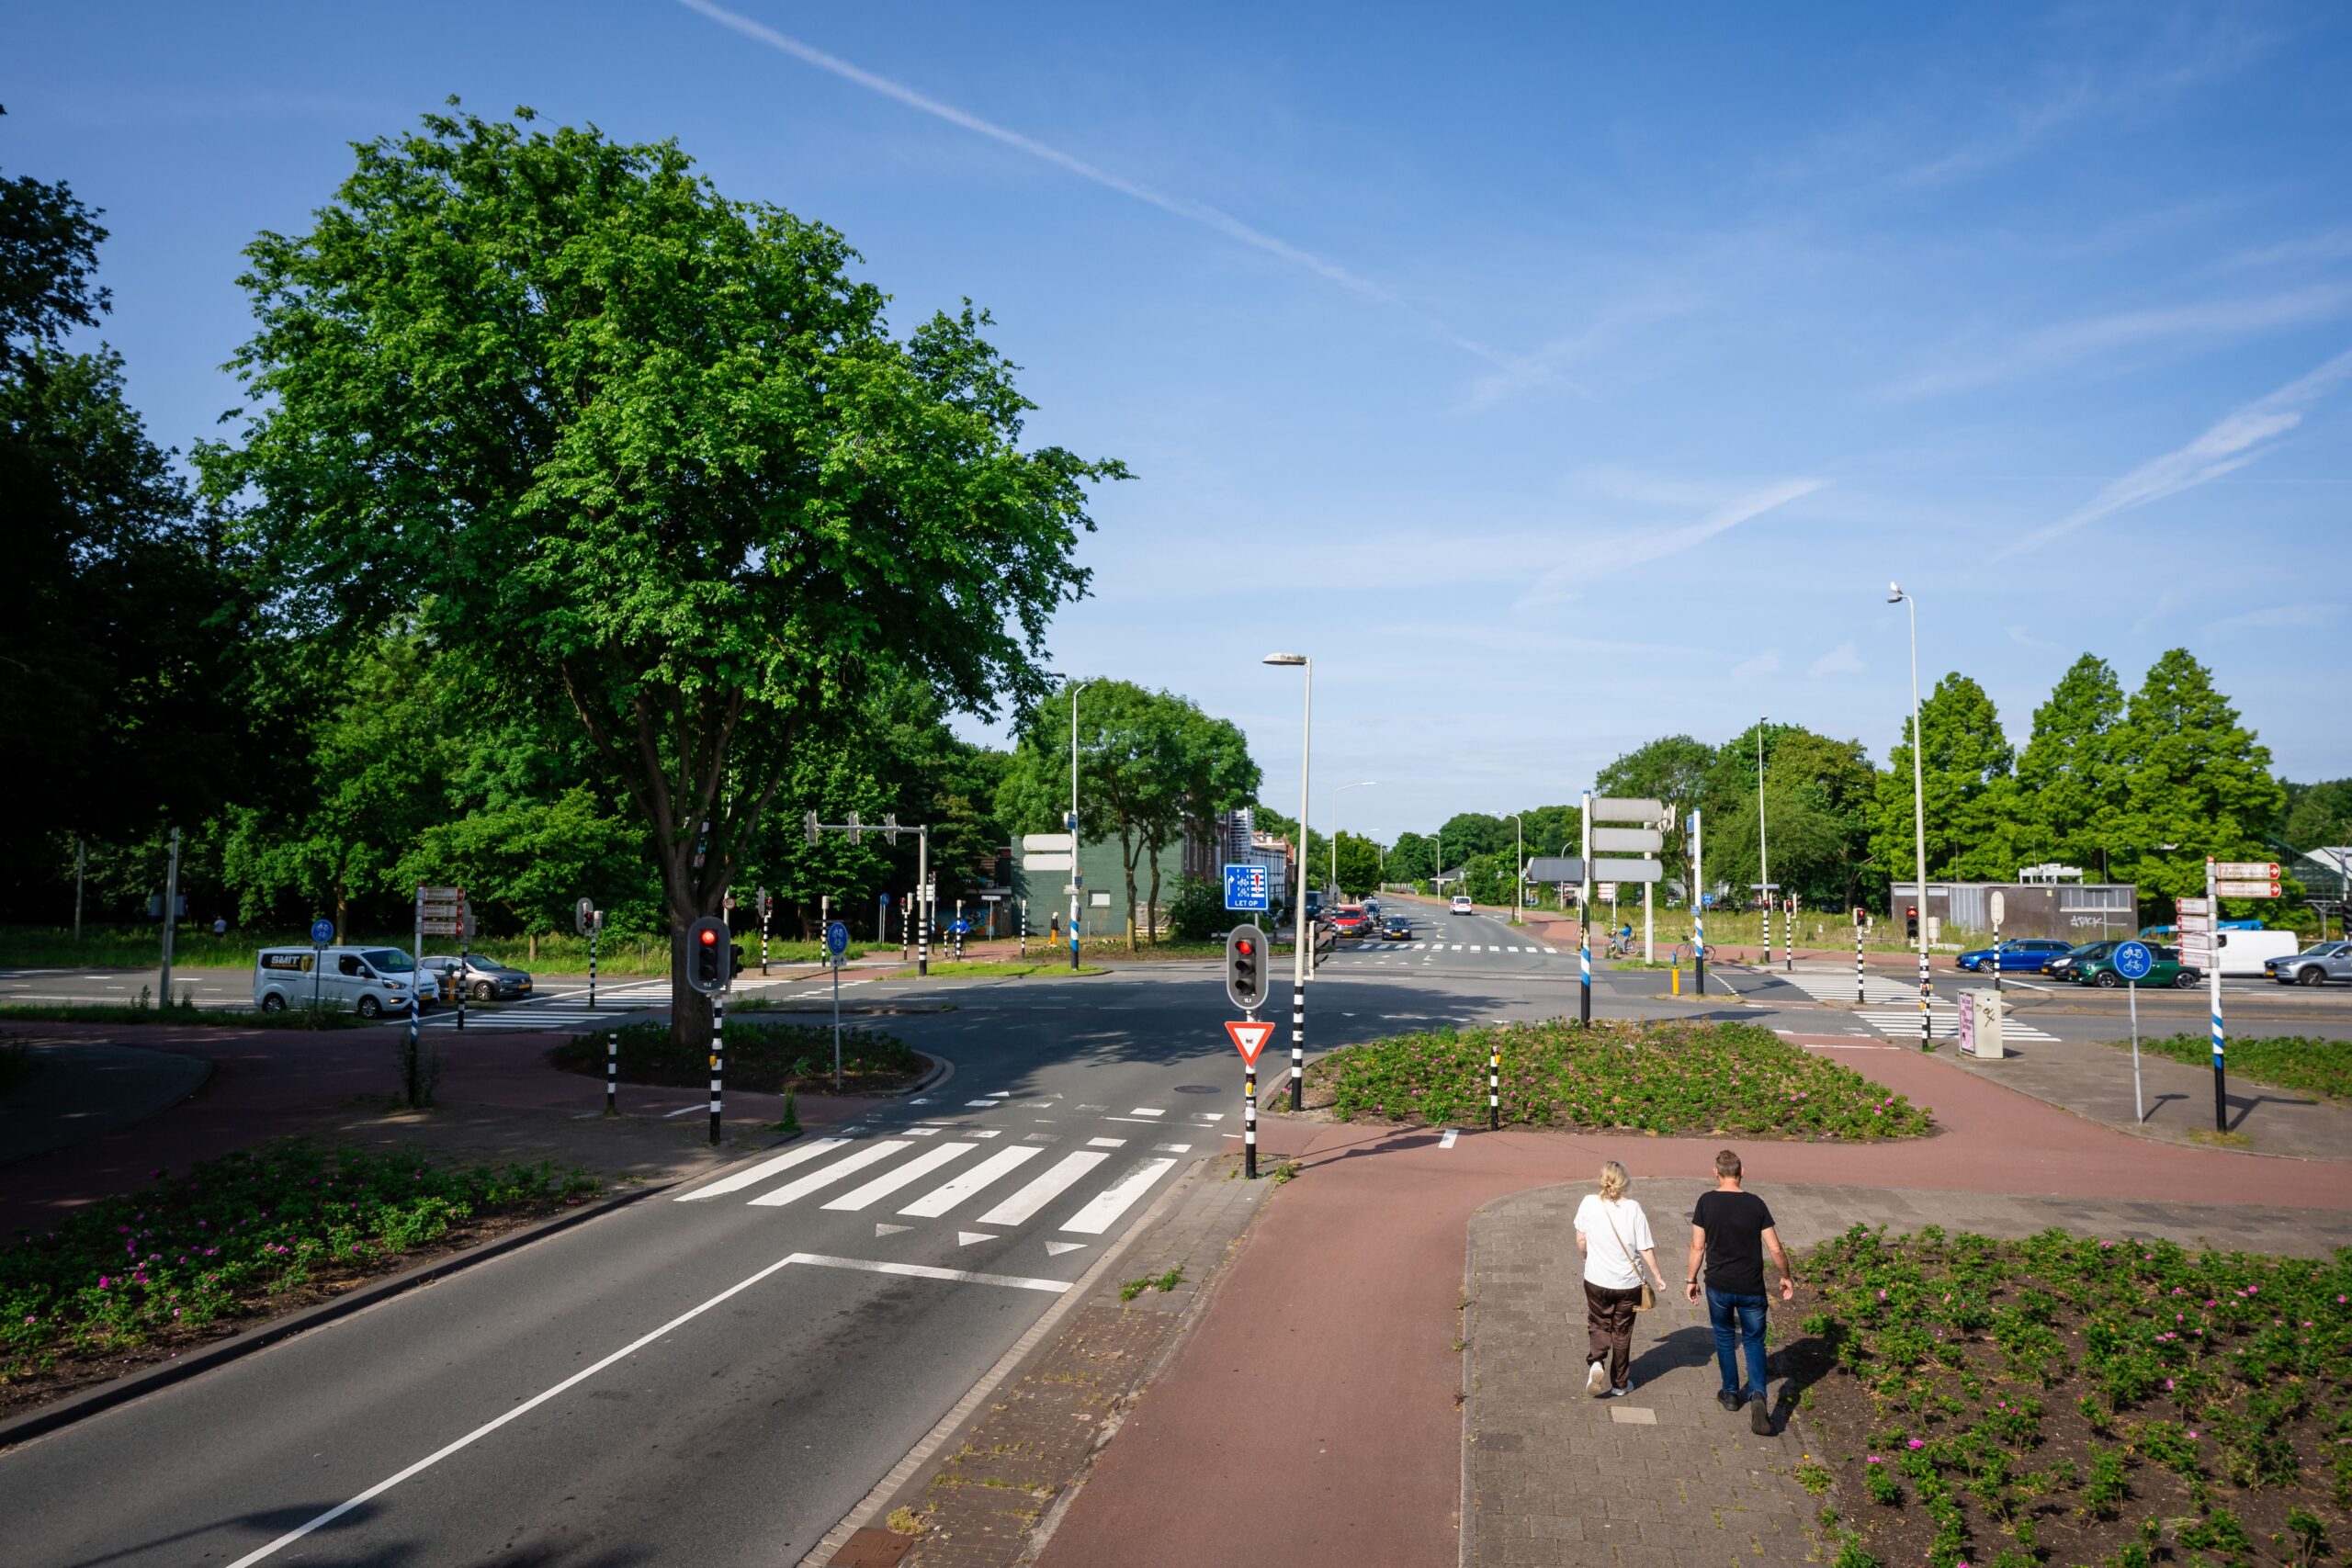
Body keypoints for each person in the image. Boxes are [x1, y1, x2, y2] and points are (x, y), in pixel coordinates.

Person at [1685, 1147, 1796, 1435]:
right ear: (1742, 1172)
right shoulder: (1756, 1204)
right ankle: (1758, 1395)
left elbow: (1698, 1246)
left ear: (1716, 1173)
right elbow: (1775, 1247)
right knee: (1754, 1342)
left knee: (1723, 1337)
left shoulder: (1706, 1202)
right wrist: (1786, 1276)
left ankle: (1731, 1393)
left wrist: (1691, 1279)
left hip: (1719, 1286)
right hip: (1751, 1287)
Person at [1574, 1160, 1661, 1398]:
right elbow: (1644, 1248)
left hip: (1596, 1279)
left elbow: (1581, 1240)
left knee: (1598, 1322)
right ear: (1624, 1183)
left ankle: (1597, 1362)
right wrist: (1657, 1276)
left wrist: (1586, 1258)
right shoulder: (1633, 1208)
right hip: (1628, 1284)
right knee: (1622, 1332)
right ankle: (1620, 1384)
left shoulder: (1588, 1203)